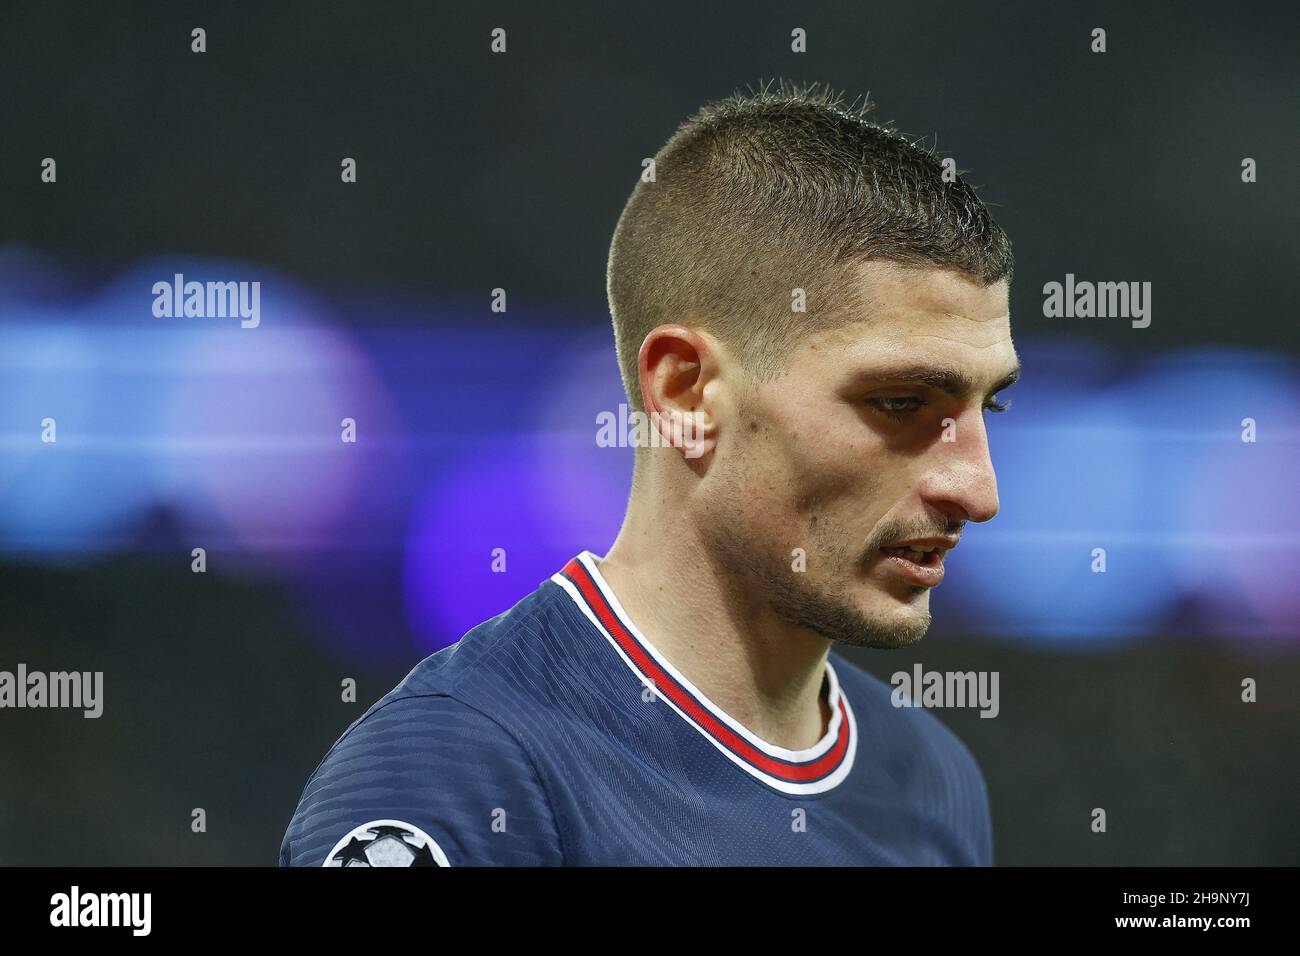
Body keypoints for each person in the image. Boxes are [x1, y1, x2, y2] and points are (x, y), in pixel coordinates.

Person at [282, 81, 1018, 866]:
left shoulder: (934, 785)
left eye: (988, 410)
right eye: (901, 401)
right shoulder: (454, 784)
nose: (977, 491)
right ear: (686, 393)